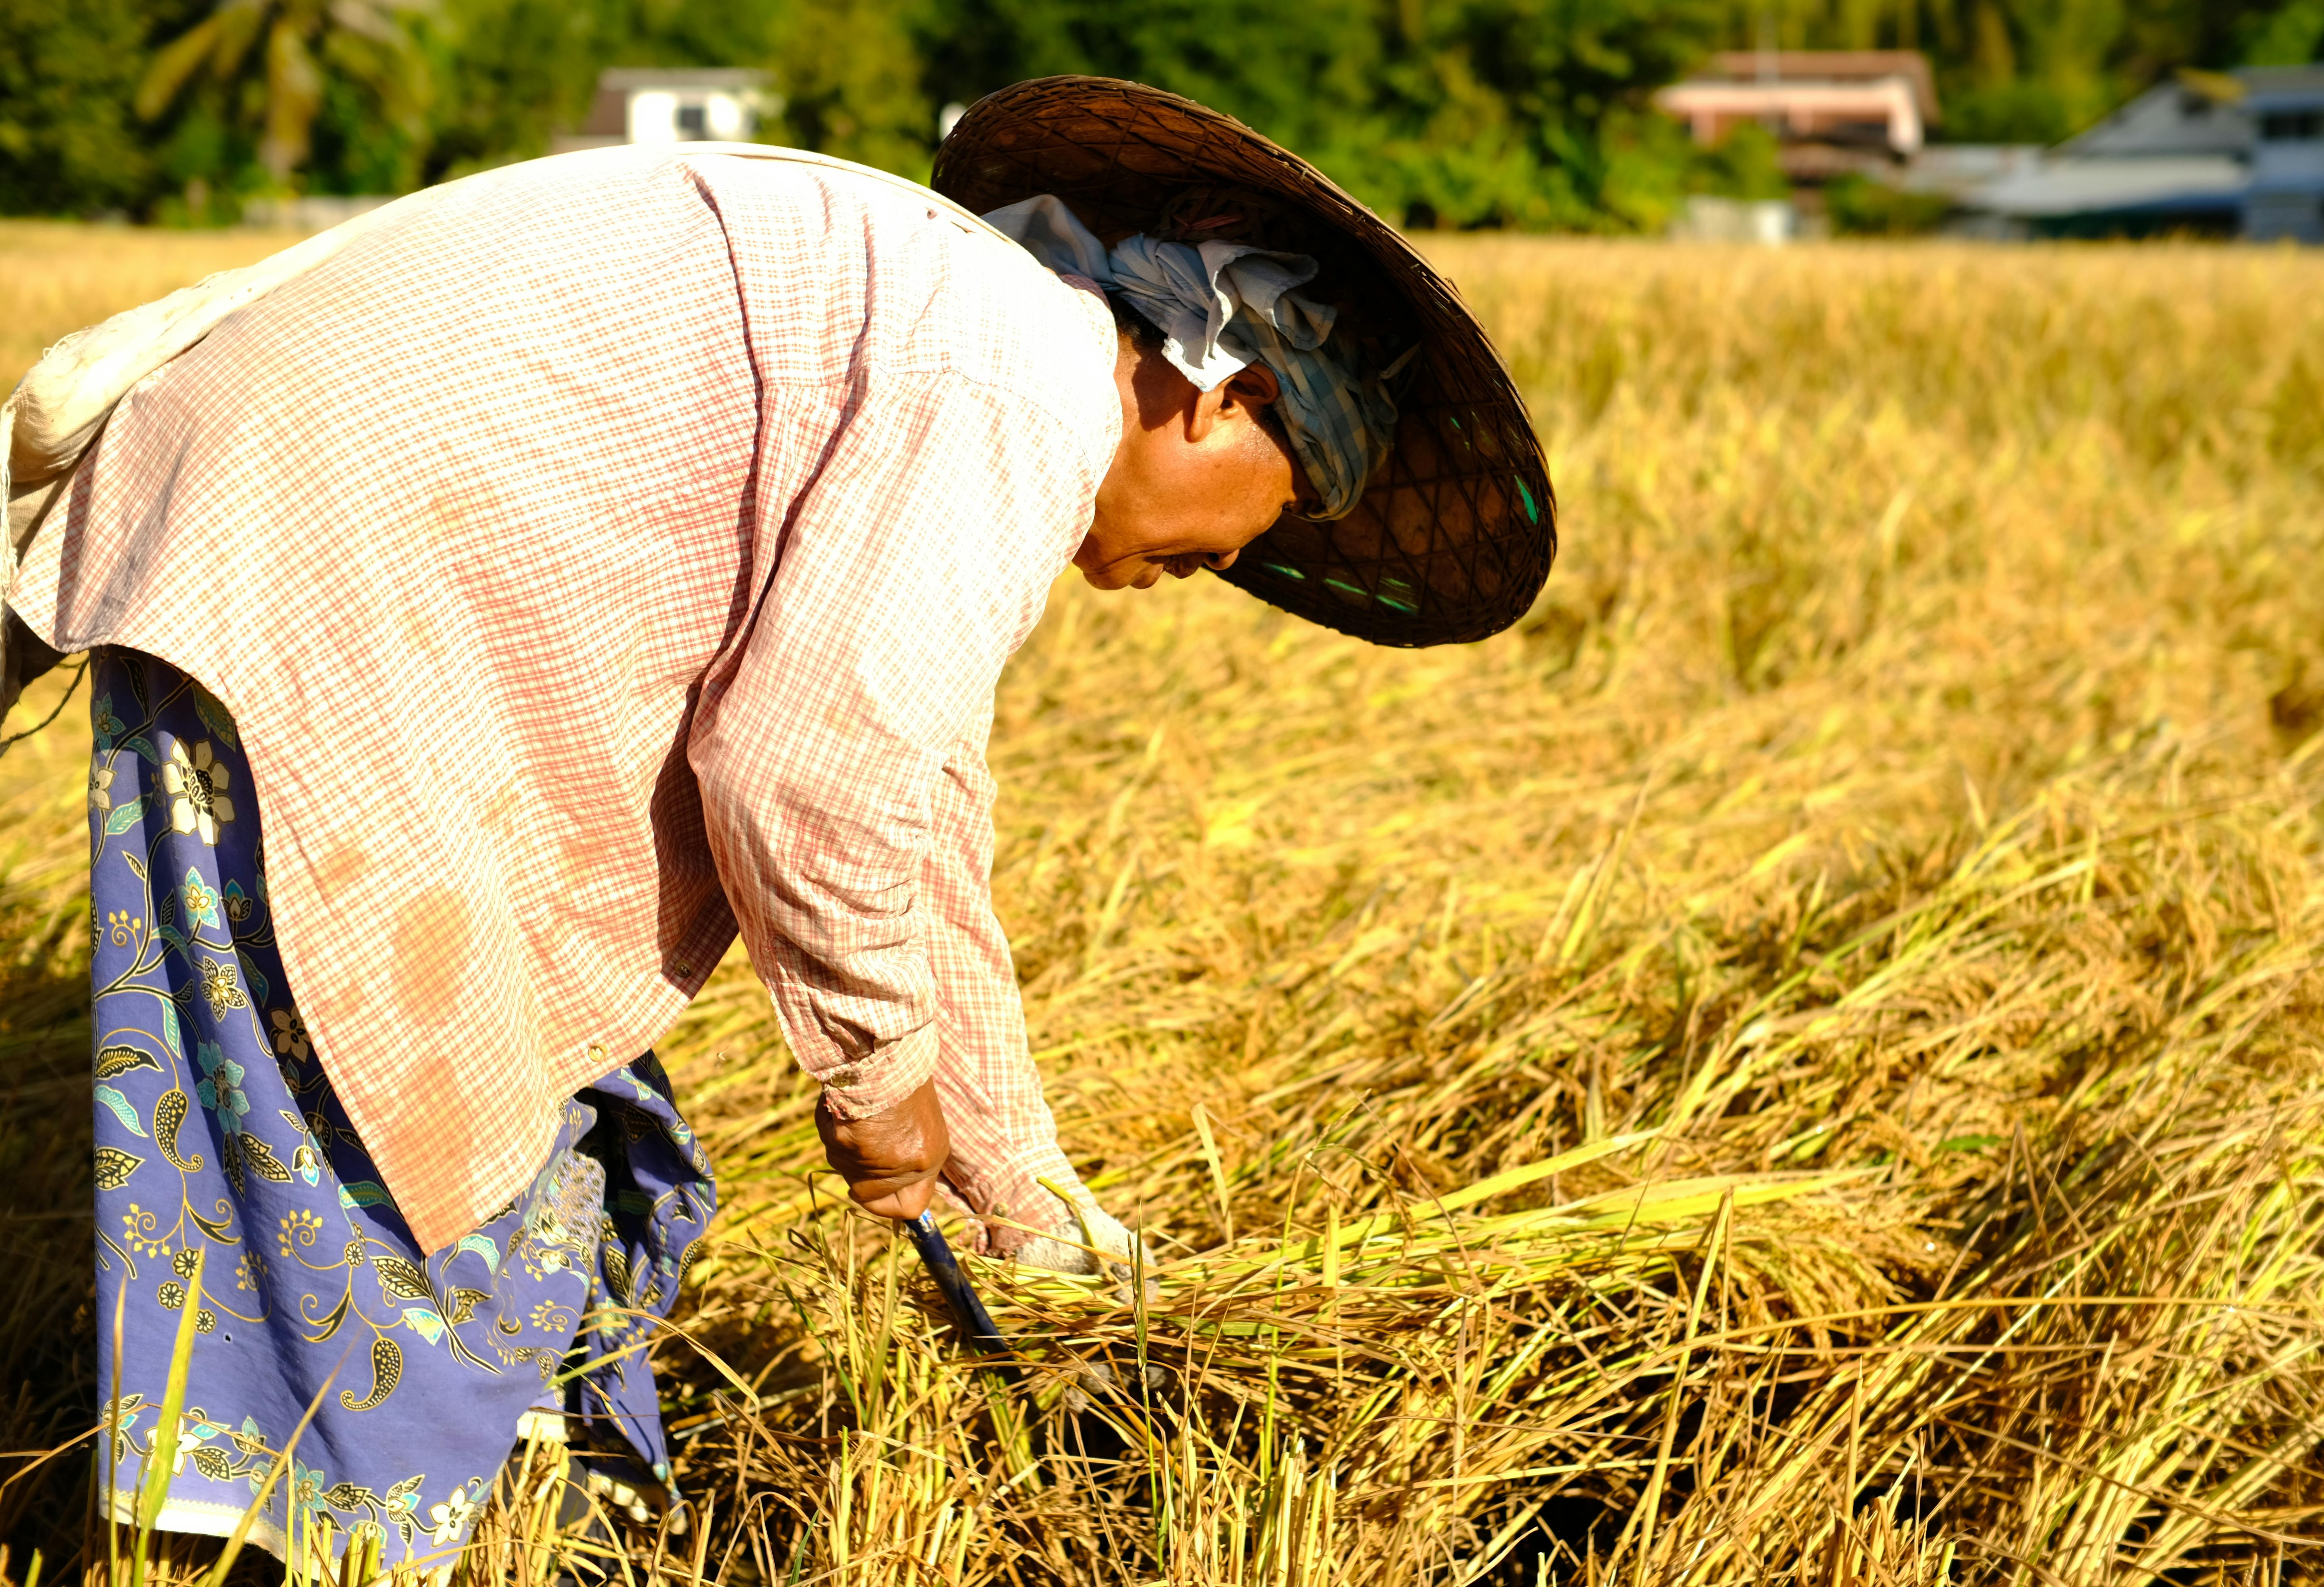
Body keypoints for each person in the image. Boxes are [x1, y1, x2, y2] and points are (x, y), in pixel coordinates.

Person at [0, 77, 1551, 1565]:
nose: (1196, 571)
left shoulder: (993, 334)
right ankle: (289, 1541)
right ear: (1235, 396)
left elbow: (920, 804)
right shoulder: (1016, 380)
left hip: (375, 592)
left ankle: (505, 1519)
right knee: (370, 1185)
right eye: (1248, 535)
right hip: (317, 595)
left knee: (536, 1149)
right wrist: (879, 1080)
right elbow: (810, 767)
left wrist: (1017, 1182)